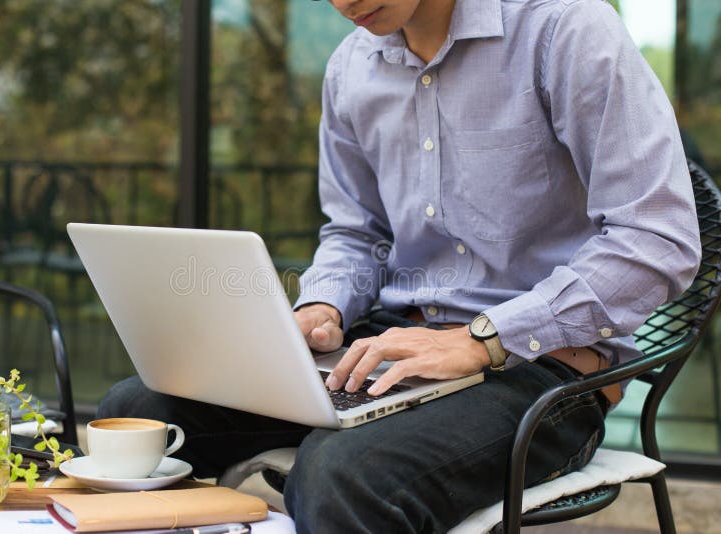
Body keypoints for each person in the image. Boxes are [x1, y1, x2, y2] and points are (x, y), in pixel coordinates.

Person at [97, 0, 701, 531]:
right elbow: (357, 233)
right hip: (392, 347)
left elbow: (658, 239)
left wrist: (481, 339)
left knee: (339, 476)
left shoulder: (564, 29)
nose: (343, 1)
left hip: (544, 369)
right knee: (138, 414)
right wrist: (321, 305)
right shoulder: (350, 68)